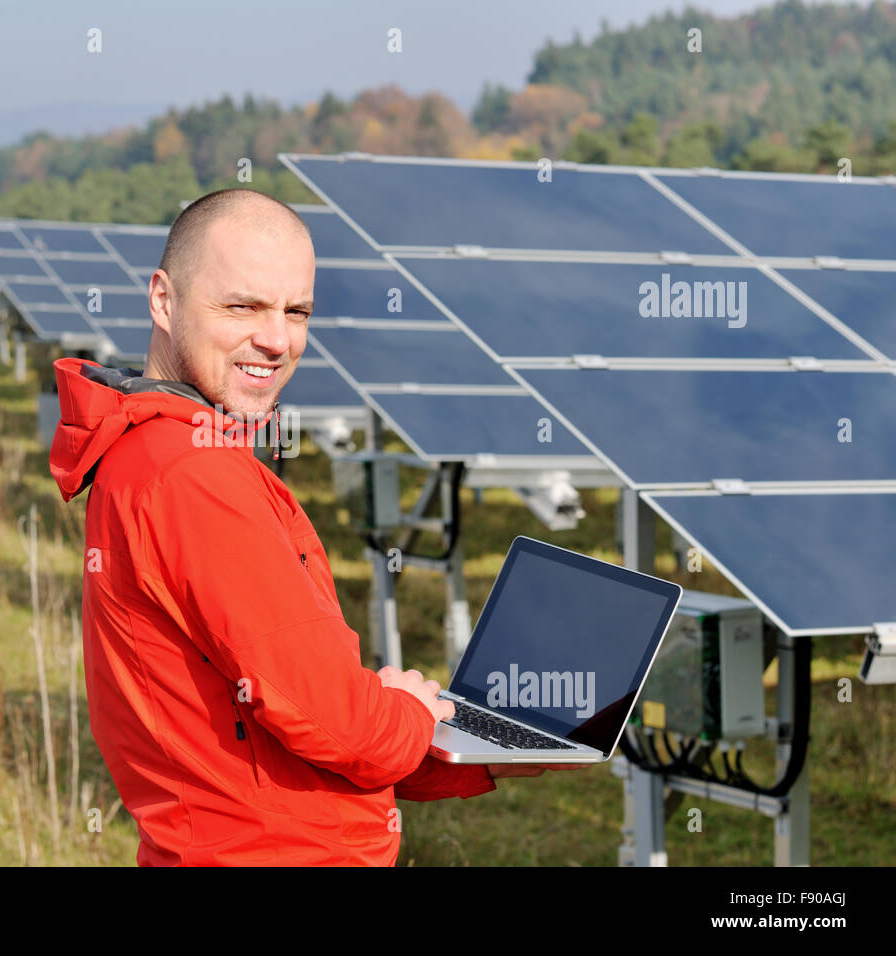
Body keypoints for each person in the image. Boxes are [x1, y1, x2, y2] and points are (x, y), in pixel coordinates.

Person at [50, 188, 579, 866]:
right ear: (163, 299)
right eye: (242, 306)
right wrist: (410, 714)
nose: (275, 339)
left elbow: (277, 728)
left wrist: (482, 756)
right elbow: (336, 722)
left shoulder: (158, 452)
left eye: (296, 311)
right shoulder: (193, 476)